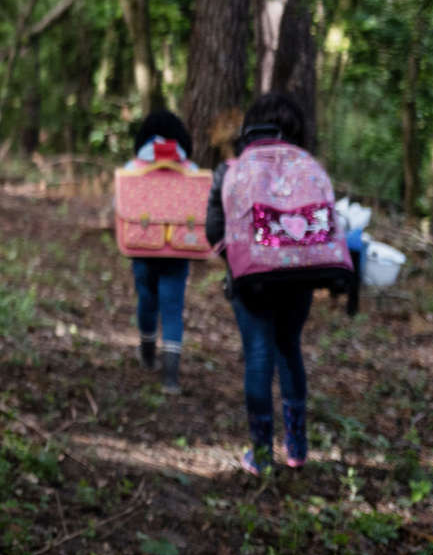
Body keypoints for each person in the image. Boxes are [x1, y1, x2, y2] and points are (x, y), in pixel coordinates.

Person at [207, 91, 320, 475]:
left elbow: (213, 230)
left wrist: (236, 258)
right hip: (299, 279)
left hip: (251, 281)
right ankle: (297, 448)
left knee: (258, 356)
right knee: (290, 349)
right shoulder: (306, 168)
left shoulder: (232, 170)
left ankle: (261, 454)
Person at [123, 109, 197, 395]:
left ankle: (147, 353)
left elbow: (122, 206)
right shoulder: (189, 168)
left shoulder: (134, 166)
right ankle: (171, 377)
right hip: (178, 248)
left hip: (143, 246)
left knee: (146, 299)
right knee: (173, 308)